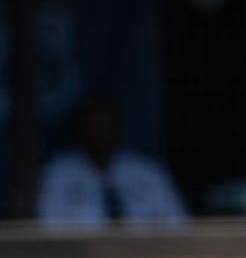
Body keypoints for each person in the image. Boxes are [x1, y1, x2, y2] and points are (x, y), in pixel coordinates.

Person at [38, 96, 188, 228]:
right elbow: (44, 232)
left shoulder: (149, 173)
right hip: (79, 257)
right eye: (95, 126)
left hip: (145, 257)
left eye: (109, 126)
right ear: (81, 129)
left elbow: (179, 227)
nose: (102, 134)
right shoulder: (55, 175)